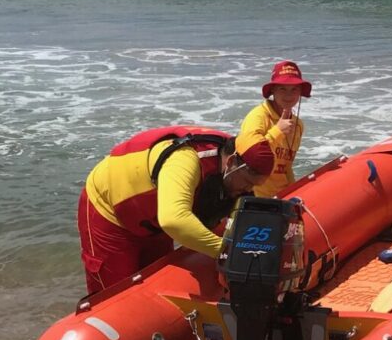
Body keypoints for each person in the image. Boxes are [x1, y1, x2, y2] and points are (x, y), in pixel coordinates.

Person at [78, 126, 274, 294]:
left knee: (154, 283)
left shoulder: (233, 157)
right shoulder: (186, 160)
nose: (248, 190)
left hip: (153, 217)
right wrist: (227, 253)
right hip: (109, 210)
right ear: (231, 163)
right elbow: (174, 220)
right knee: (117, 293)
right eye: (247, 182)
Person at [237, 60, 310, 198]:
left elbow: (286, 167)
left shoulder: (298, 124)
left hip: (280, 196)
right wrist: (277, 131)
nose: (289, 95)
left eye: (294, 89)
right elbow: (248, 157)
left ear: (300, 92)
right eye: (282, 88)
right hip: (256, 197)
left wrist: (294, 193)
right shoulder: (258, 116)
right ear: (273, 91)